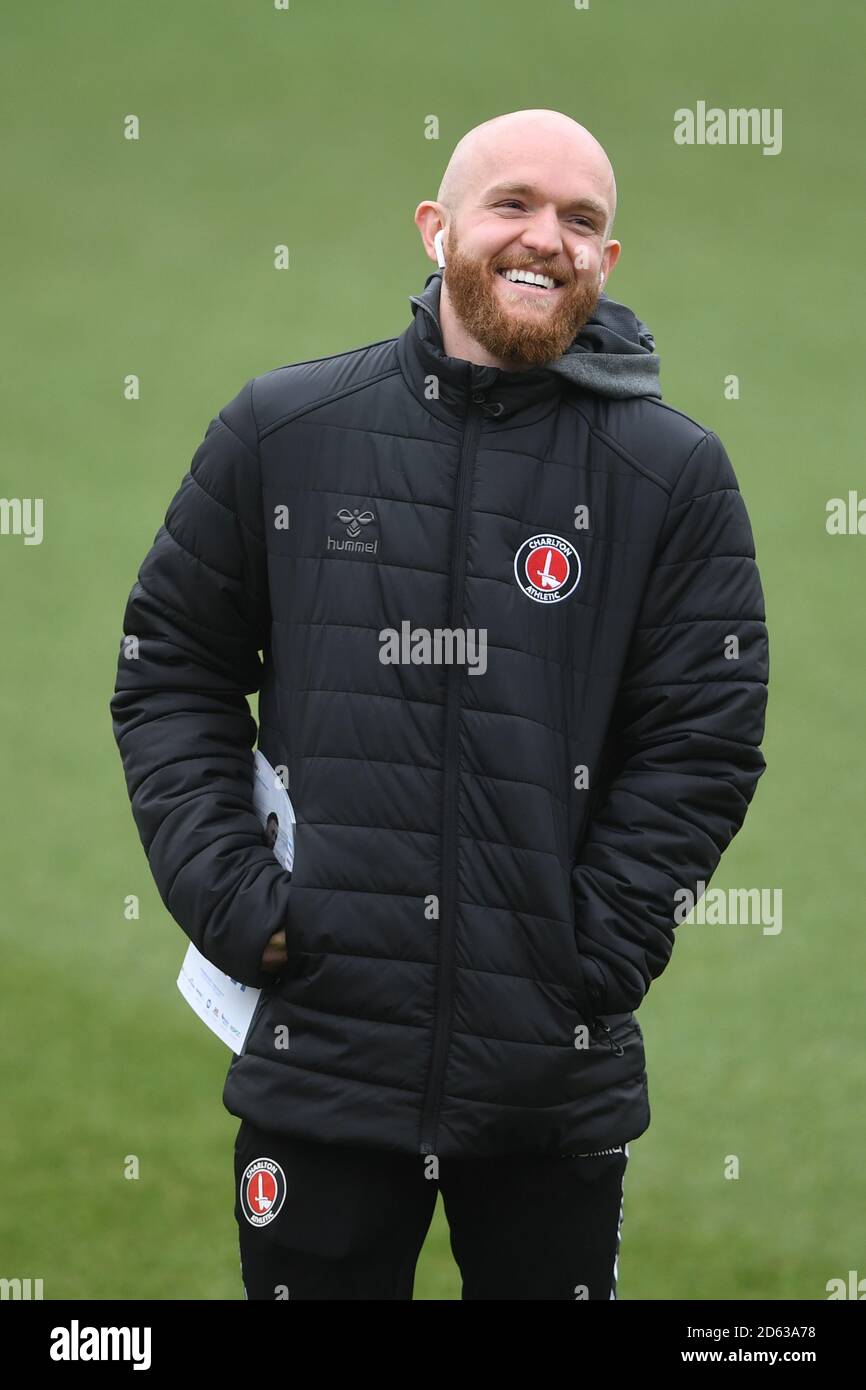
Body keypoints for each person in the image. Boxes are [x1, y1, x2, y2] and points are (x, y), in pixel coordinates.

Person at [109, 108, 769, 1300]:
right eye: (511, 203)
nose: (545, 238)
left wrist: (599, 947)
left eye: (581, 220)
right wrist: (235, 901)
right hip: (325, 1056)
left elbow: (704, 737)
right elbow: (171, 663)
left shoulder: (669, 474)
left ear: (606, 262)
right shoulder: (285, 431)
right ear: (437, 228)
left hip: (549, 1081)